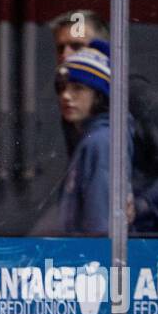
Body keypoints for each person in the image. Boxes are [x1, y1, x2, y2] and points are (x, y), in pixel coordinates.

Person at [47, 9, 158, 232]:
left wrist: (141, 206)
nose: (66, 55)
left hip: (152, 243)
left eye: (77, 46)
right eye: (60, 48)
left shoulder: (134, 92)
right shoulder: (75, 104)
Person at [54, 43, 130, 236]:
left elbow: (100, 226)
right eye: (62, 88)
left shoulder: (101, 142)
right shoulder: (93, 139)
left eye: (78, 89)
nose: (66, 96)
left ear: (98, 96)